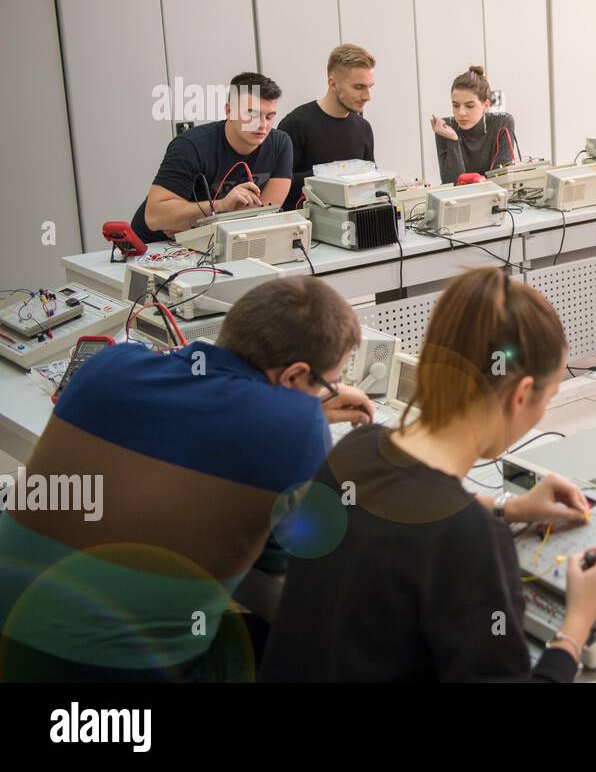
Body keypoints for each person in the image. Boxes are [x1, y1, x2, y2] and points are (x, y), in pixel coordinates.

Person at [0, 276, 374, 681]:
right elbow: (284, 557)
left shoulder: (107, 365)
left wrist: (301, 413)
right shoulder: (297, 429)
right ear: (295, 376)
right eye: (327, 383)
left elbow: (184, 428)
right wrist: (306, 428)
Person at [259, 267, 596, 682]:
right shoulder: (470, 540)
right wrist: (575, 627)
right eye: (548, 396)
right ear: (521, 395)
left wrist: (510, 506)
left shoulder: (357, 451)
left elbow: (401, 515)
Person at [129, 72, 292, 243]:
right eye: (252, 115)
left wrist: (198, 224)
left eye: (269, 117)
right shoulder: (190, 146)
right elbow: (155, 216)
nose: (263, 125)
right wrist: (221, 207)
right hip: (155, 244)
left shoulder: (280, 144)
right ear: (229, 111)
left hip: (213, 238)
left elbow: (263, 217)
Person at [278, 44, 377, 210]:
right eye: (358, 87)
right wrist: (329, 174)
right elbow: (278, 186)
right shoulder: (296, 124)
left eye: (370, 87)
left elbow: (369, 182)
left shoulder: (363, 128)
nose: (367, 96)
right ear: (333, 84)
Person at [430, 65, 519, 183]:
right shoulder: (445, 129)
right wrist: (453, 139)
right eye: (455, 105)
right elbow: (452, 184)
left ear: (486, 105)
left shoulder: (502, 123)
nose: (461, 112)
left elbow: (503, 179)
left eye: (469, 106)